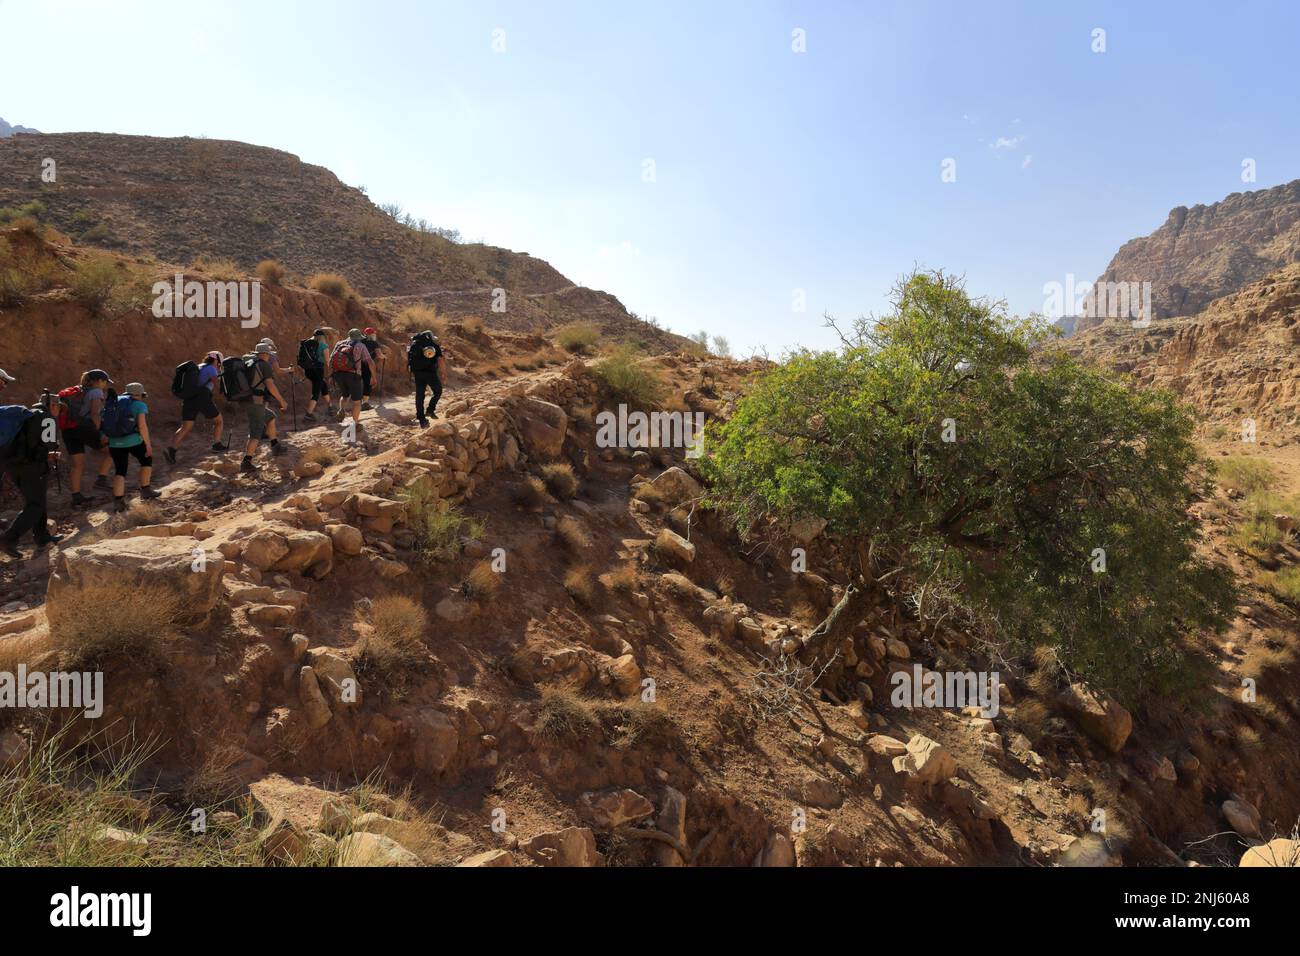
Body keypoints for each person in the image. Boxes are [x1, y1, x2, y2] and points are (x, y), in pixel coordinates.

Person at [0, 394, 62, 558]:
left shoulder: (25, 416)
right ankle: (8, 539)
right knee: (35, 505)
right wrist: (51, 453)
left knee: (36, 501)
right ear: (53, 406)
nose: (59, 410)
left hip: (13, 466)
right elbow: (48, 443)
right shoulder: (46, 418)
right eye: (59, 407)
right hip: (32, 467)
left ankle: (42, 537)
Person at [57, 368, 113, 509]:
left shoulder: (80, 390)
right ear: (99, 381)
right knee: (113, 449)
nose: (106, 385)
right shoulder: (96, 392)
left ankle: (76, 497)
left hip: (69, 430)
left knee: (77, 465)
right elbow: (95, 414)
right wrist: (100, 433)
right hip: (85, 428)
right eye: (105, 382)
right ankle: (101, 479)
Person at [102, 382, 158, 512]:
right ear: (139, 395)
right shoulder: (139, 405)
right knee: (146, 460)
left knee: (120, 470)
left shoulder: (113, 403)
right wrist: (148, 444)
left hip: (114, 442)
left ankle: (118, 502)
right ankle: (145, 490)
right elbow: (142, 426)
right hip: (133, 441)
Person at [164, 351, 224, 464]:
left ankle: (171, 449)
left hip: (189, 399)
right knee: (219, 421)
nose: (219, 365)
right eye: (219, 363)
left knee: (185, 427)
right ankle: (217, 444)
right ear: (216, 360)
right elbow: (218, 386)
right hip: (202, 397)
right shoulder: (211, 368)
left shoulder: (198, 367)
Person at [240, 343, 288, 473]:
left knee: (270, 416)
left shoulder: (250, 363)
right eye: (269, 353)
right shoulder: (264, 365)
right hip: (256, 402)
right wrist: (282, 401)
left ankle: (275, 446)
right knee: (256, 433)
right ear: (266, 354)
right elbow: (270, 385)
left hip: (249, 401)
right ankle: (246, 462)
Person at [327, 329, 376, 430]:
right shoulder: (360, 345)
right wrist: (374, 377)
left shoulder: (339, 343)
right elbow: (370, 362)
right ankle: (355, 424)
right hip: (353, 375)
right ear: (359, 337)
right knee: (357, 401)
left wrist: (330, 375)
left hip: (338, 374)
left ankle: (341, 410)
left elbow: (331, 360)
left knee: (345, 395)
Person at [407, 330, 446, 428]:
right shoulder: (433, 344)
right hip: (430, 373)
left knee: (420, 394)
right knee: (438, 391)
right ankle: (430, 410)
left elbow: (409, 358)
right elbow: (440, 360)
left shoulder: (414, 344)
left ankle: (420, 417)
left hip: (417, 373)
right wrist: (443, 374)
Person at [298, 328, 335, 422]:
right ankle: (308, 414)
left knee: (323, 386)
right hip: (318, 370)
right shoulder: (323, 345)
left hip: (308, 370)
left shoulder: (306, 343)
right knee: (316, 392)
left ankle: (330, 407)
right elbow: (327, 361)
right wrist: (330, 372)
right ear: (322, 336)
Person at [360, 326, 384, 410]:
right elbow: (379, 354)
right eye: (373, 333)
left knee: (358, 382)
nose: (375, 335)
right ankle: (365, 403)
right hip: (368, 365)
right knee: (368, 383)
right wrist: (384, 357)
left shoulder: (360, 341)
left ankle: (357, 402)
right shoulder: (374, 343)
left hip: (357, 365)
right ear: (371, 334)